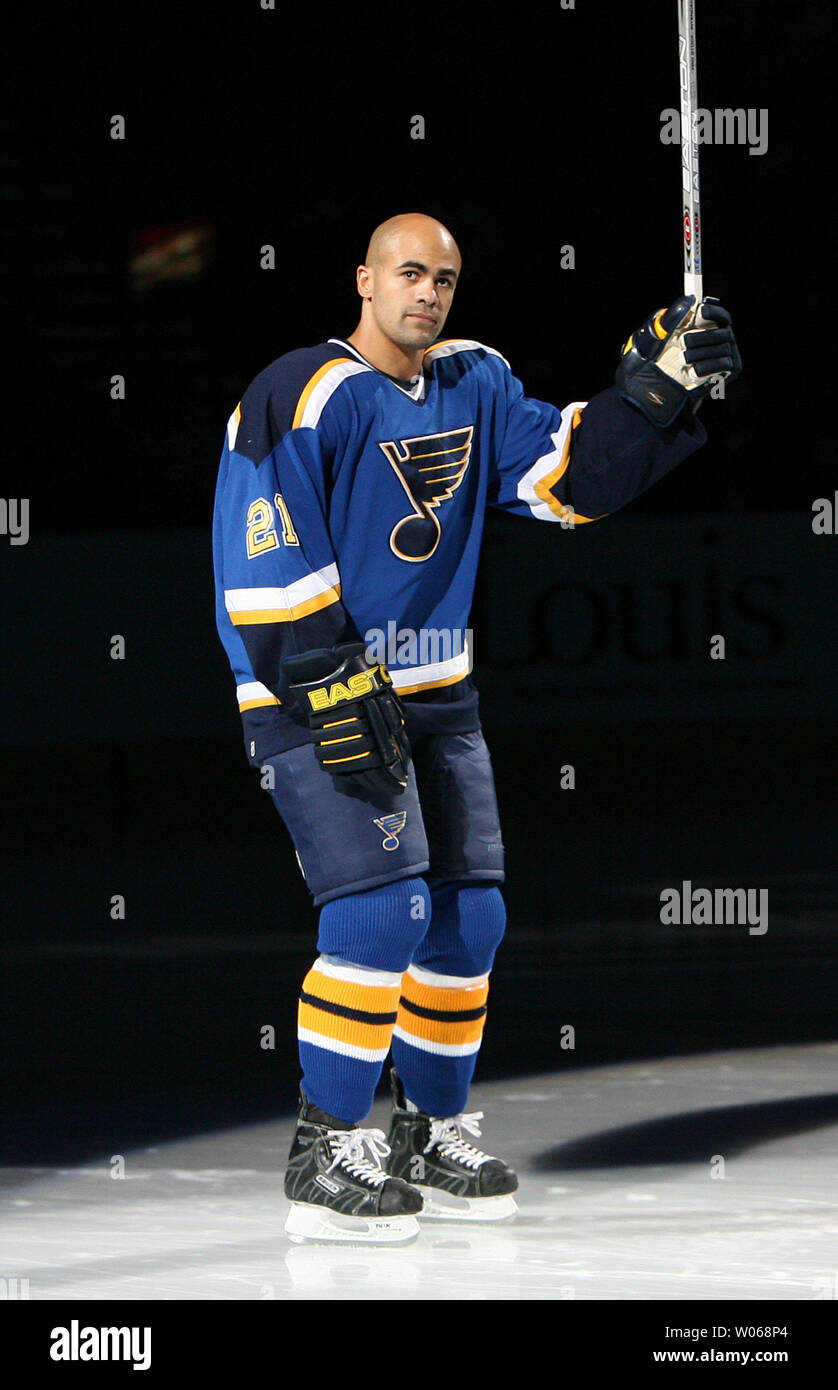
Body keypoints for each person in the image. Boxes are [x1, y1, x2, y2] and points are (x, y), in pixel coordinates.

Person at [212, 212, 741, 1245]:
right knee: (379, 916)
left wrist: (657, 389)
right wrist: (322, 678)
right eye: (409, 272)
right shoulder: (300, 392)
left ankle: (428, 1128)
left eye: (445, 279)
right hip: (313, 693)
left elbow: (569, 480)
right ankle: (323, 1149)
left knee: (468, 922)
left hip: (439, 696)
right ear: (362, 278)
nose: (427, 293)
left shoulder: (475, 380)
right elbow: (257, 547)